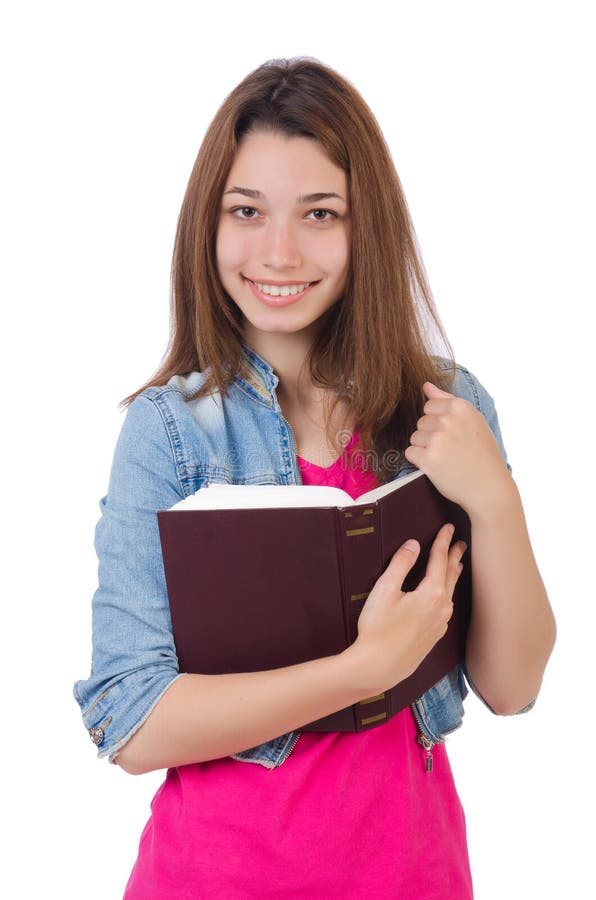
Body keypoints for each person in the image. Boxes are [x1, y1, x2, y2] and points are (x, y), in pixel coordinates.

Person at [73, 57, 556, 898]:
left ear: (366, 226)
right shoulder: (170, 433)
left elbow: (512, 688)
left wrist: (495, 497)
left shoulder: (449, 408)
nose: (279, 252)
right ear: (208, 227)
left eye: (320, 213)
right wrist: (358, 674)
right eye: (247, 211)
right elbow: (131, 720)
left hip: (417, 877)